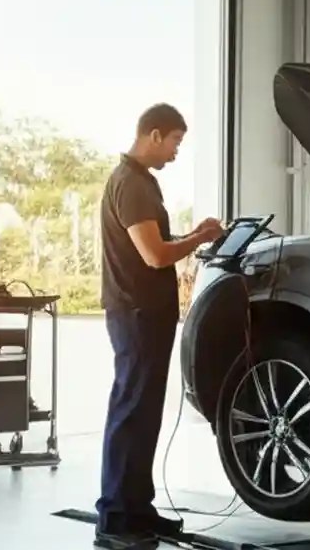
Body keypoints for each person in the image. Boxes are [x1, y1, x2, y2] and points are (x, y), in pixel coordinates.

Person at [94, 103, 224, 549]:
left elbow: (151, 245)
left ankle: (137, 510)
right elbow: (154, 255)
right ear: (153, 135)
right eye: (174, 142)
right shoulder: (131, 184)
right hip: (136, 313)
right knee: (131, 409)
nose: (175, 152)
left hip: (145, 313)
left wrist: (190, 234)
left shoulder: (139, 182)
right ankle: (114, 516)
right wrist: (199, 238)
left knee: (143, 411)